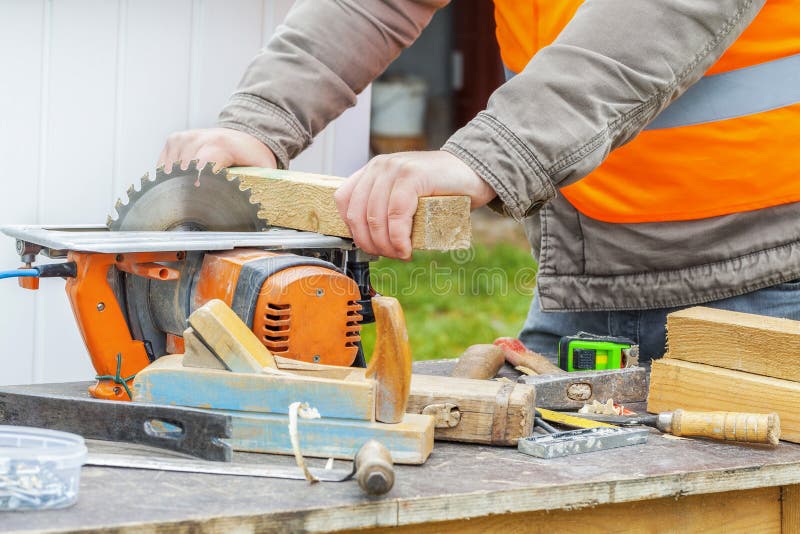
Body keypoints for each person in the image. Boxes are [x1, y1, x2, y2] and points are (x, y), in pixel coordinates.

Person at [159, 0, 800, 364]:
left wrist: (490, 155)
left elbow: (660, 14)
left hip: (771, 277)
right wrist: (264, 118)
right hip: (591, 275)